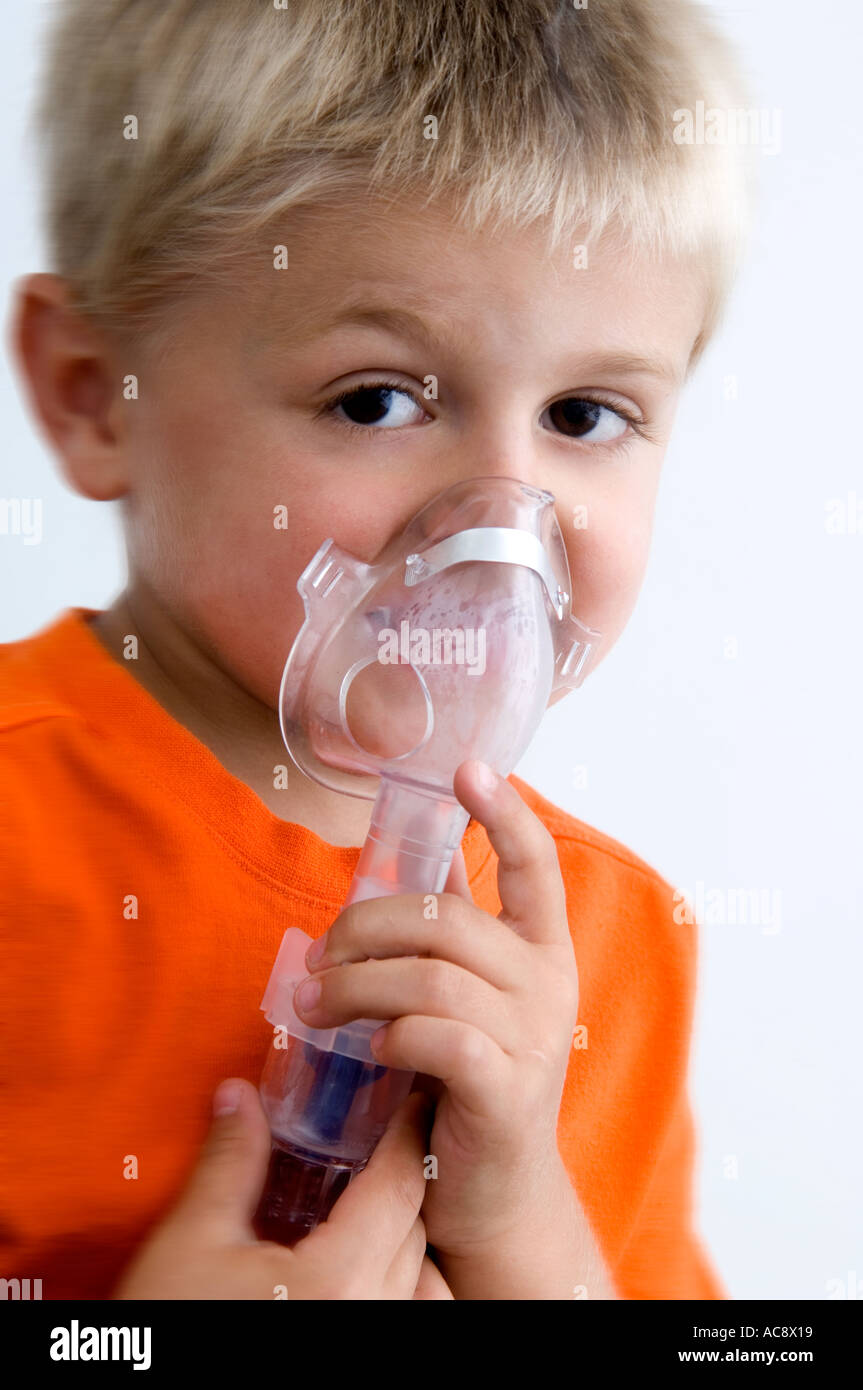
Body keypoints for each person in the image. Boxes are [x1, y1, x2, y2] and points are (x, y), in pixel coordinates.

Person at [1, 0, 753, 1299]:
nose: (502, 516)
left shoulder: (610, 947)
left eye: (586, 413)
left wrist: (519, 1223)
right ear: (92, 394)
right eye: (379, 399)